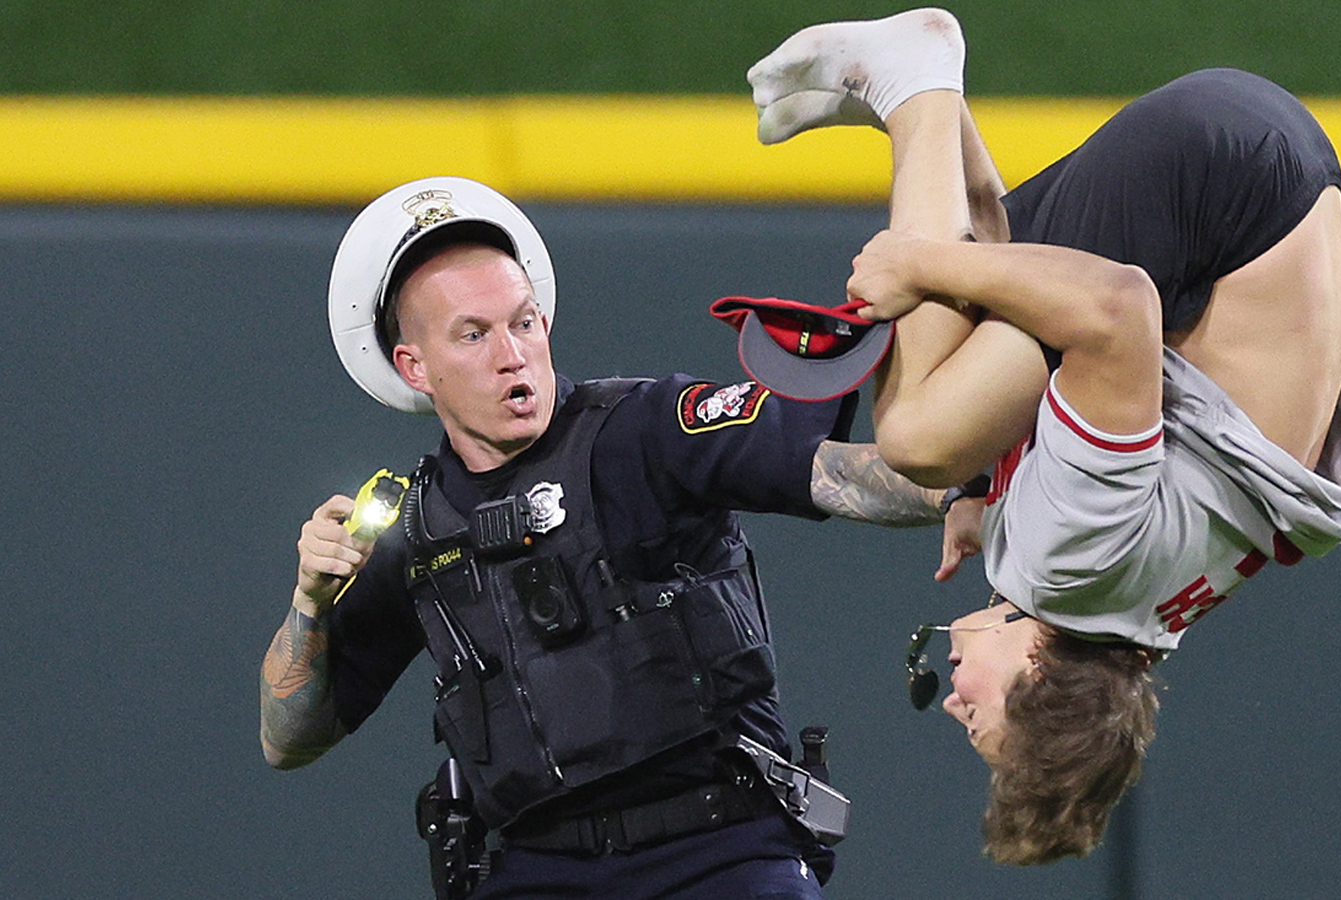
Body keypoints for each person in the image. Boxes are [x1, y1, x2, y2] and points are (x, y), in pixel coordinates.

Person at [742, 8, 1341, 864]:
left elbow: (1081, 359)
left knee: (972, 382)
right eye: (984, 726)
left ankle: (922, 107)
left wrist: (985, 495)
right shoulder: (1073, 570)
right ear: (1037, 675)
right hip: (1221, 187)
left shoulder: (1132, 612)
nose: (958, 708)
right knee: (921, 436)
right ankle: (911, 83)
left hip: (1272, 172)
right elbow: (1117, 312)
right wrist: (918, 267)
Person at [258, 175, 965, 899]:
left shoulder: (644, 428)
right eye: (474, 334)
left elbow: (844, 478)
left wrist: (974, 486)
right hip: (536, 871)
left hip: (724, 852)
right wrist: (310, 601)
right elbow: (286, 739)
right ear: (416, 367)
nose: (513, 353)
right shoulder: (412, 527)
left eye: (524, 322)